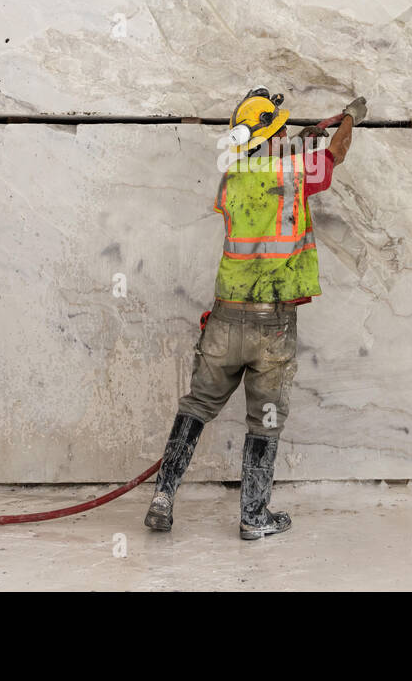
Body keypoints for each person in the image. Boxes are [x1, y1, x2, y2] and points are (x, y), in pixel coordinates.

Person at [144, 87, 367, 539]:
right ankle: (253, 516)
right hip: (273, 323)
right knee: (263, 418)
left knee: (197, 405)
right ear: (273, 135)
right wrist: (349, 119)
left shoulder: (230, 179)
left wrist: (287, 139)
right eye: (280, 127)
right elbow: (335, 155)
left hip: (226, 316)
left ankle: (163, 496)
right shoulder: (294, 171)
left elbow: (264, 169)